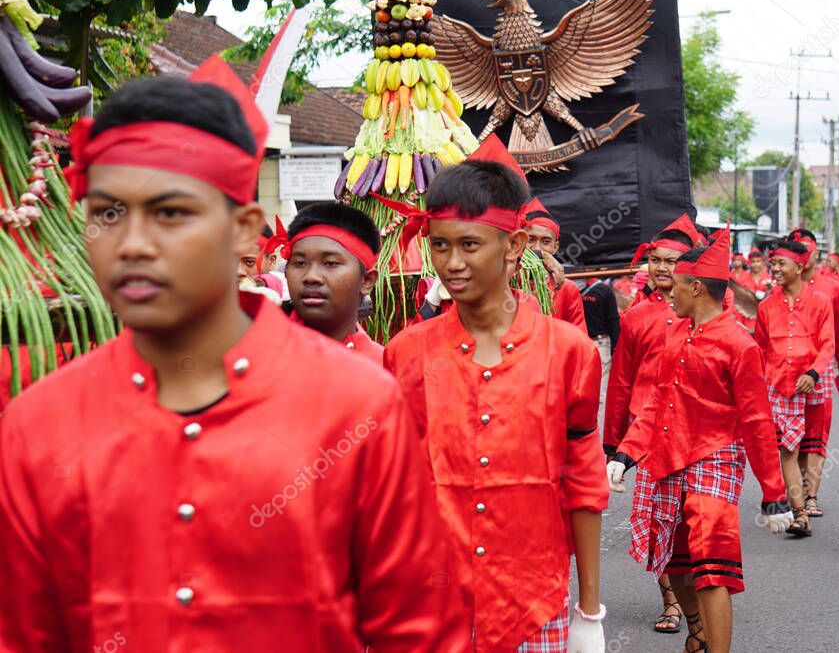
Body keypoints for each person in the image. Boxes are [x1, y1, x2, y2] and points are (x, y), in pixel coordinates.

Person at [0, 62, 469, 651]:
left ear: (245, 230)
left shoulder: (357, 407)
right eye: (108, 213)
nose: (135, 243)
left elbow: (420, 631)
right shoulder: (38, 426)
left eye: (171, 212)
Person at [383, 155, 609, 652]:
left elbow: (585, 483)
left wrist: (589, 612)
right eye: (439, 246)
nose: (452, 263)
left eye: (469, 245)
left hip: (535, 604)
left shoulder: (569, 353)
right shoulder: (406, 354)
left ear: (514, 247)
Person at [608, 230, 792, 653]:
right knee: (674, 563)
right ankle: (698, 633)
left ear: (696, 287)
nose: (667, 291)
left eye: (675, 285)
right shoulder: (676, 333)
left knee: (714, 567)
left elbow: (757, 422)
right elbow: (656, 401)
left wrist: (774, 493)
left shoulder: (739, 345)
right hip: (667, 457)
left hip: (715, 457)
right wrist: (625, 453)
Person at [604, 214, 700, 635]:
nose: (662, 268)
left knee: (691, 522)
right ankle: (671, 601)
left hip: (696, 435)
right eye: (656, 260)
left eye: (672, 261)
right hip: (648, 437)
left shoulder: (705, 312)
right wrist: (614, 443)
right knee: (660, 518)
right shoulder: (637, 316)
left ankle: (697, 598)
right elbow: (621, 381)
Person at [755, 239, 835, 536]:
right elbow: (760, 350)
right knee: (788, 448)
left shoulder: (821, 302)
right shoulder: (765, 306)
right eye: (772, 263)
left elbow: (828, 344)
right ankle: (800, 513)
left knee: (812, 445)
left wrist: (814, 373)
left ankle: (807, 497)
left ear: (799, 267)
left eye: (780, 264)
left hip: (814, 381)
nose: (774, 269)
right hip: (779, 385)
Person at [787, 229, 839, 518]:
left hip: (821, 370)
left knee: (815, 436)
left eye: (806, 248)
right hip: (785, 372)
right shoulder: (779, 289)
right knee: (790, 437)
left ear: (815, 252)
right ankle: (794, 491)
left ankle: (810, 495)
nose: (803, 253)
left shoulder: (833, 287)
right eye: (796, 248)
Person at [281, 201, 384, 363]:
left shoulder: (385, 366)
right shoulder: (259, 352)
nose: (311, 277)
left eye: (330, 263)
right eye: (300, 263)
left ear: (366, 281)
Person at [523, 196, 588, 334]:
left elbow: (579, 339)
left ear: (555, 247)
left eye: (545, 242)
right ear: (519, 241)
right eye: (531, 240)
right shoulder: (506, 283)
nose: (537, 248)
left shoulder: (567, 289)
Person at [579, 277, 621, 425]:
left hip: (577, 345)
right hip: (600, 345)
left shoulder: (568, 289)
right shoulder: (604, 290)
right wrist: (616, 350)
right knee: (601, 395)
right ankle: (599, 437)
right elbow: (613, 321)